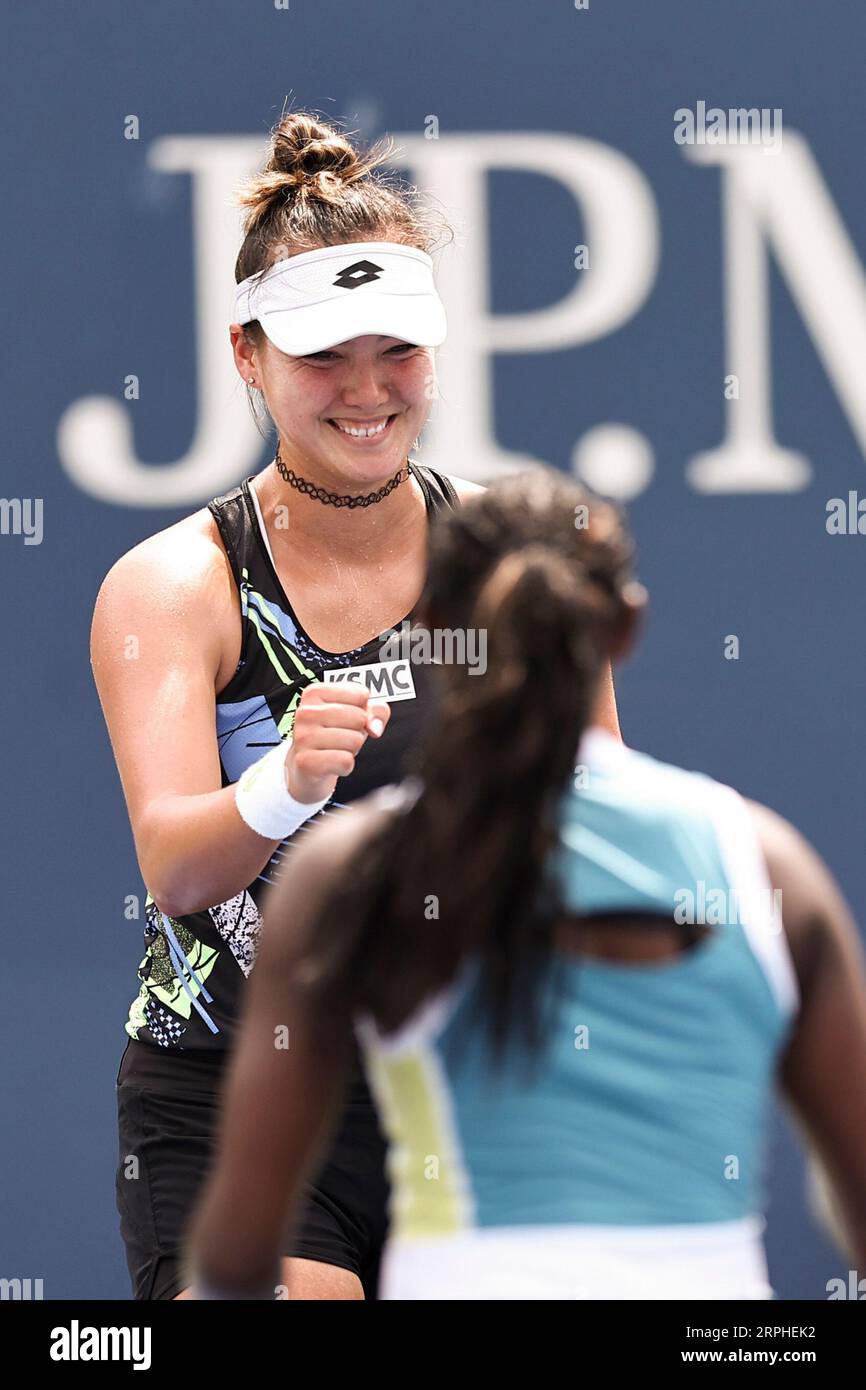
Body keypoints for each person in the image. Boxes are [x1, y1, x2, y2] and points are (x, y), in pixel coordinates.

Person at [90, 109, 625, 1301]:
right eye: (323, 354)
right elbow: (175, 869)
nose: (367, 390)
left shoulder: (523, 564)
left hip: (468, 1088)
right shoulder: (176, 584)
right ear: (245, 353)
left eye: (398, 349)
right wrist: (281, 785)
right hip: (233, 1087)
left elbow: (598, 830)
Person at [186, 466, 866, 1300]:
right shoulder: (770, 870)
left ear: (432, 628)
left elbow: (234, 1256)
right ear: (626, 627)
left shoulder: (347, 874)